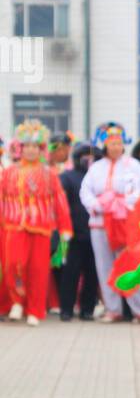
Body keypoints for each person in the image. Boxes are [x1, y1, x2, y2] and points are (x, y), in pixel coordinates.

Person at [0, 120, 72, 324]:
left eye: (35, 146)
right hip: (13, 226)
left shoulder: (49, 175)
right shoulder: (9, 173)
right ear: (20, 148)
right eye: (27, 146)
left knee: (39, 271)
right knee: (12, 264)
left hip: (41, 228)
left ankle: (35, 310)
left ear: (41, 149)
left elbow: (59, 201)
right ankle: (16, 301)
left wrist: (65, 226)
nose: (31, 150)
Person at [80, 123, 140, 323]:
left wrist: (122, 203)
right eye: (111, 143)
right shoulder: (95, 168)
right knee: (104, 266)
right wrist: (99, 204)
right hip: (101, 223)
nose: (115, 147)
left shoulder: (133, 166)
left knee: (129, 264)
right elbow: (85, 192)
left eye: (118, 143)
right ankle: (113, 309)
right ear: (105, 145)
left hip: (124, 222)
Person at [59, 143, 100, 321]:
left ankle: (87, 309)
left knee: (93, 274)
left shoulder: (100, 177)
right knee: (70, 274)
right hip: (74, 234)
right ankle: (66, 309)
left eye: (92, 156)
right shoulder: (67, 177)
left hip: (96, 233)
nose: (88, 159)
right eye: (84, 155)